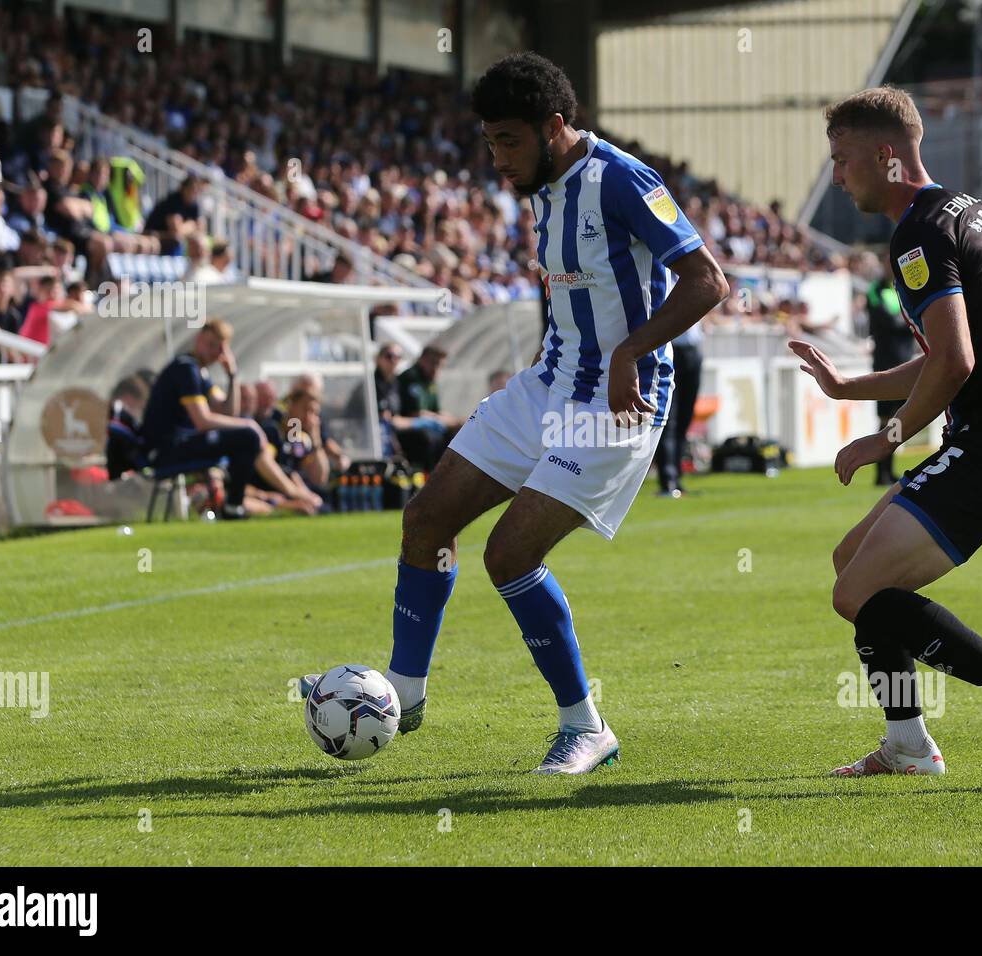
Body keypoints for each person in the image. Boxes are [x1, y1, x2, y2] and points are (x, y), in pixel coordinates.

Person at [302, 53, 729, 774]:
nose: (496, 158)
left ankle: (585, 726)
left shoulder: (622, 179)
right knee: (426, 519)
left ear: (555, 127)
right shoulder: (540, 184)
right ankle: (404, 693)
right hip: (547, 384)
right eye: (489, 141)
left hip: (615, 402)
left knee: (509, 553)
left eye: (508, 141)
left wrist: (628, 353)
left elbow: (707, 280)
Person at [790, 86, 982, 789]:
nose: (837, 176)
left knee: (858, 592)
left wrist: (881, 439)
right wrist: (851, 388)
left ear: (884, 156)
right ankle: (908, 743)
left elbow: (956, 362)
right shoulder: (961, 209)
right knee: (850, 559)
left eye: (844, 159)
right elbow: (951, 351)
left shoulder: (917, 232)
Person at [139, 319, 318, 519]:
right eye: (210, 344)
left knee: (246, 438)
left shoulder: (200, 372)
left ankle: (242, 504)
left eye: (219, 347)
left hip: (178, 445)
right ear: (198, 340)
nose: (214, 352)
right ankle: (257, 500)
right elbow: (203, 420)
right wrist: (249, 425)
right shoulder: (185, 369)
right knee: (248, 435)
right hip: (163, 450)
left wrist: (232, 376)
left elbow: (228, 412)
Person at [863, 250, 916, 485]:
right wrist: (909, 322)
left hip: (904, 360)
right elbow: (888, 320)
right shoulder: (875, 290)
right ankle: (881, 472)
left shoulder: (903, 288)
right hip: (885, 362)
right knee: (886, 419)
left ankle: (888, 469)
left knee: (897, 419)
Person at [395, 344, 462, 472]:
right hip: (409, 430)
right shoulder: (410, 378)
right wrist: (443, 420)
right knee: (429, 438)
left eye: (440, 366)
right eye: (434, 364)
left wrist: (455, 420)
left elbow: (436, 410)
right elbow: (416, 414)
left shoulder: (430, 381)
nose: (437, 369)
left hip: (428, 424)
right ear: (423, 360)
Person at [655, 323, 703, 497]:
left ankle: (677, 477)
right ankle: (668, 480)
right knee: (670, 420)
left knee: (685, 418)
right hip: (670, 350)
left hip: (692, 350)